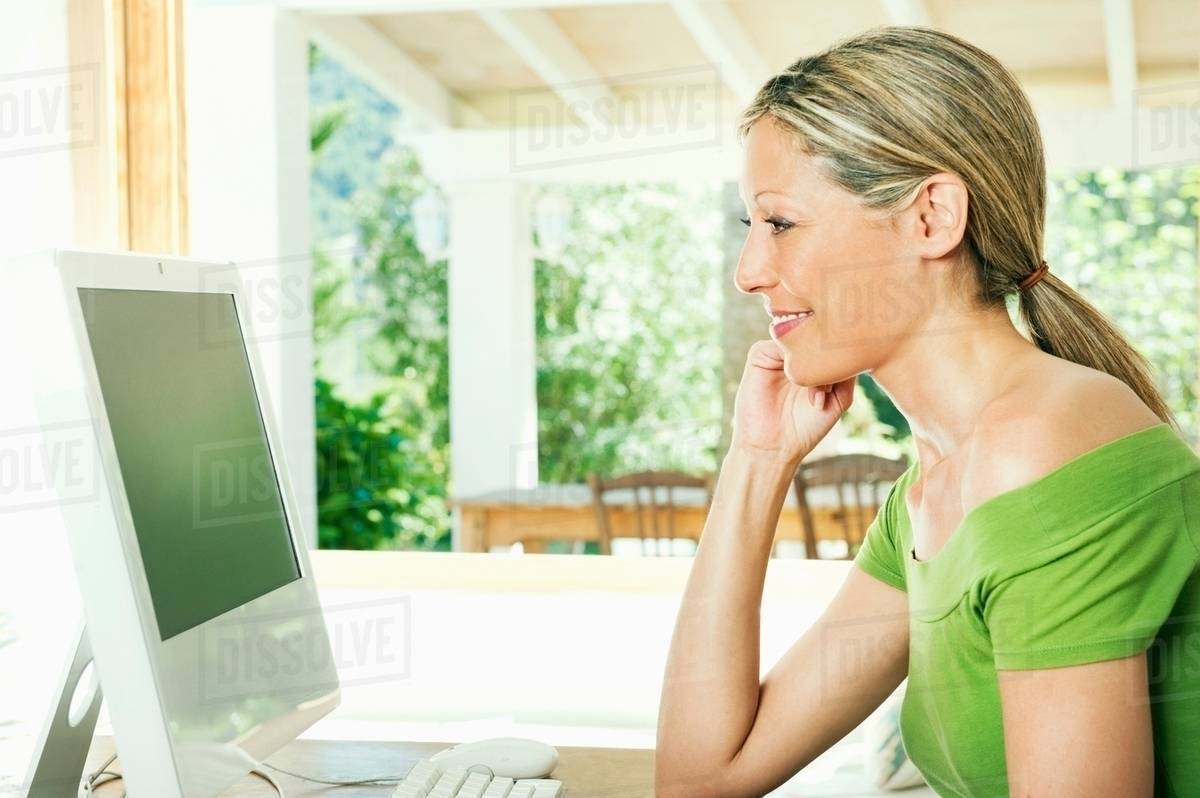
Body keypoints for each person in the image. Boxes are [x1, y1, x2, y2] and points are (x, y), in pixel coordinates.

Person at [656, 25, 1200, 798]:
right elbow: (700, 778)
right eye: (752, 228)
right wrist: (758, 460)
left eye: (780, 222)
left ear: (933, 218)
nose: (749, 273)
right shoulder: (932, 493)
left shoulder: (1039, 447)